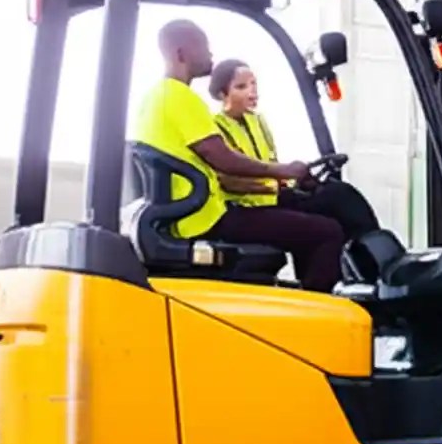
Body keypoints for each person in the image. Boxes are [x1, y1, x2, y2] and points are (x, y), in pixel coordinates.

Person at [130, 19, 345, 292]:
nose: (210, 54)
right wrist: (283, 170)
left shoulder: (154, 97)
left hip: (187, 216)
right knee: (326, 233)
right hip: (205, 218)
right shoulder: (179, 96)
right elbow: (222, 158)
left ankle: (307, 298)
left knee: (306, 224)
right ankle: (318, 315)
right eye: (203, 47)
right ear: (181, 53)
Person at [208, 58, 381, 241]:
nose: (252, 92)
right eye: (241, 87)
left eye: (253, 84)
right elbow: (228, 182)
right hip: (249, 207)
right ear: (222, 94)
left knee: (341, 194)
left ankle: (375, 253)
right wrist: (275, 186)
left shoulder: (258, 121)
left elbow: (271, 164)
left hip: (276, 197)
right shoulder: (216, 127)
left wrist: (298, 181)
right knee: (329, 216)